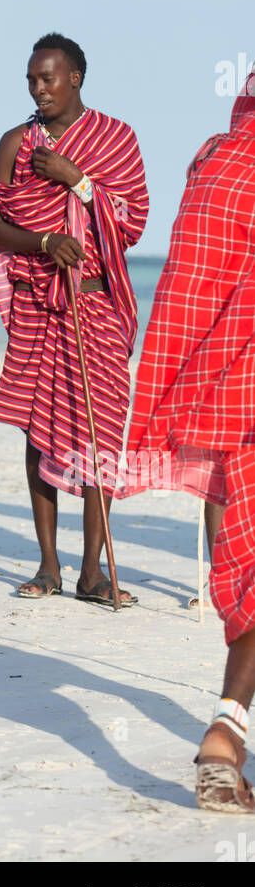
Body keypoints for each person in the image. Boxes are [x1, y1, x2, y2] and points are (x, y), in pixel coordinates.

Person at [0, 33, 148, 606]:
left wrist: (76, 178)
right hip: (40, 307)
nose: (38, 88)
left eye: (48, 78)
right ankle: (48, 565)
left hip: (96, 303)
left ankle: (92, 572)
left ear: (75, 78)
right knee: (38, 426)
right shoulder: (14, 143)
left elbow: (129, 224)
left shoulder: (116, 139)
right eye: (31, 79)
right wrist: (45, 240)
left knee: (103, 432)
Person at [121, 72, 255, 810]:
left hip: (228, 389)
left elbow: (190, 285)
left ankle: (228, 736)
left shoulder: (216, 159)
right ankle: (226, 734)